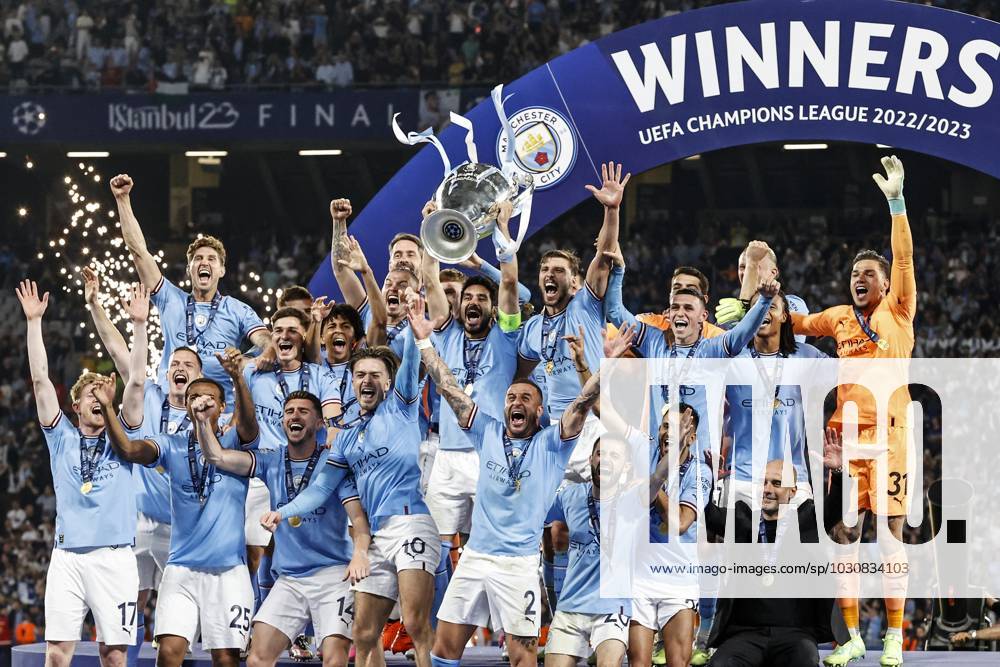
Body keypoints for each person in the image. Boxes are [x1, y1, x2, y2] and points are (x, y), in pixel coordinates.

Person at [408, 291, 602, 667]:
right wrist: (422, 340)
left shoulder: (553, 443)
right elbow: (448, 386)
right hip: (476, 556)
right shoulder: (487, 431)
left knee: (522, 657)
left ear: (540, 409)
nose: (516, 402)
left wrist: (588, 363)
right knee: (443, 651)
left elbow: (582, 404)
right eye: (512, 396)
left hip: (519, 565)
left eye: (526, 398)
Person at [791, 157, 915, 667]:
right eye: (854, 274)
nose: (859, 278)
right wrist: (753, 302)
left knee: (889, 537)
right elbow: (791, 324)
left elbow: (903, 260)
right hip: (845, 446)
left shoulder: (898, 311)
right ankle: (851, 636)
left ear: (885, 285)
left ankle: (891, 633)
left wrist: (896, 204)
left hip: (890, 441)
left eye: (869, 273)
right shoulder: (840, 318)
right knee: (844, 537)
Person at [263, 325, 438, 667]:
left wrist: (419, 337)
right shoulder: (344, 437)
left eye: (375, 375)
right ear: (353, 382)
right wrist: (282, 512)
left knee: (416, 623)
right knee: (363, 632)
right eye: (360, 375)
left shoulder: (400, 408)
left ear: (388, 383)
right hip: (376, 537)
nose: (366, 381)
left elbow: (410, 367)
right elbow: (320, 488)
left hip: (411, 525)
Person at [98, 363, 261, 667]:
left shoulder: (234, 441)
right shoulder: (171, 445)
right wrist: (108, 408)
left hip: (228, 570)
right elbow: (130, 451)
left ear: (222, 405)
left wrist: (239, 378)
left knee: (225, 659)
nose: (200, 401)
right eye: (193, 396)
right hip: (181, 568)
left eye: (209, 397)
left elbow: (250, 427)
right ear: (186, 406)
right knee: (169, 653)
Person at [196, 390, 373, 667]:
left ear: (318, 423)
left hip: (333, 576)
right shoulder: (271, 460)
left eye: (303, 411)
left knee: (334, 660)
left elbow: (360, 522)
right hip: (290, 579)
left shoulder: (335, 462)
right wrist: (203, 423)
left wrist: (360, 553)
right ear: (282, 421)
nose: (295, 415)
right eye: (289, 411)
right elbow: (216, 457)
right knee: (257, 659)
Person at [18, 279, 138, 667]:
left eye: (104, 394)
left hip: (115, 557)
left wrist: (137, 326)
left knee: (115, 655)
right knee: (56, 654)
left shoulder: (125, 434)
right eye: (91, 394)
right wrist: (34, 322)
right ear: (75, 405)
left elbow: (135, 381)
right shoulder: (61, 437)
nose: (98, 399)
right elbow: (39, 380)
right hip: (67, 557)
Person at [85, 275, 191, 667]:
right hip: (138, 521)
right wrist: (96, 306)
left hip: (182, 527)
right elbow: (117, 350)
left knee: (173, 610)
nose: (178, 369)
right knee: (131, 599)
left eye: (187, 365)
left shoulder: (207, 414)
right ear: (166, 374)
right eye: (173, 364)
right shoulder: (148, 396)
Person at [109, 174, 273, 405]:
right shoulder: (169, 298)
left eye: (211, 259)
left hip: (218, 409)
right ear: (189, 269)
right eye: (198, 259)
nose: (204, 263)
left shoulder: (237, 309)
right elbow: (139, 253)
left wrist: (257, 357)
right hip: (170, 405)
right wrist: (123, 200)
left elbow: (265, 338)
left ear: (222, 270)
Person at [420, 201, 520, 562]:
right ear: (459, 306)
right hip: (446, 455)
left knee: (488, 546)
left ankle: (487, 620)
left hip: (489, 455)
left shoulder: (507, 336)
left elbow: (509, 281)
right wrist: (430, 225)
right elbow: (429, 279)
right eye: (468, 298)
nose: (473, 302)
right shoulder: (446, 334)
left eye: (482, 298)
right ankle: (443, 615)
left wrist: (502, 228)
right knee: (438, 548)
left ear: (492, 308)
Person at [543, 419, 687, 667]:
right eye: (600, 453)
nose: (605, 459)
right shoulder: (570, 495)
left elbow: (658, 476)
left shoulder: (634, 498)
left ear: (626, 465)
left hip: (612, 608)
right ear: (591, 459)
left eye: (614, 455)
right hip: (570, 607)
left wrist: (677, 448)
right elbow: (534, 514)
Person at [705, 452, 844, 667]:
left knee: (805, 661)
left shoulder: (806, 521)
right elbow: (708, 514)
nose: (767, 490)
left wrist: (838, 472)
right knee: (720, 664)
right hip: (745, 636)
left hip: (795, 636)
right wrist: (708, 479)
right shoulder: (742, 521)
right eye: (764, 482)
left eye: (776, 483)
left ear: (792, 491)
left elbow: (836, 507)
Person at [625, 403, 713, 667]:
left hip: (678, 581)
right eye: (665, 426)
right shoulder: (642, 457)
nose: (669, 433)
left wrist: (652, 482)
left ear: (692, 436)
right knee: (637, 663)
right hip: (640, 579)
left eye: (679, 428)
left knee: (678, 663)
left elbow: (681, 523)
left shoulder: (700, 472)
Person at [328, 198, 411, 358]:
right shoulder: (367, 312)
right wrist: (339, 223)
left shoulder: (428, 319)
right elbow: (341, 270)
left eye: (410, 254)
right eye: (398, 255)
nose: (403, 259)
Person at [715, 244, 809, 343]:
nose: (747, 273)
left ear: (773, 272)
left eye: (755, 266)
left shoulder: (793, 303)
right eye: (743, 267)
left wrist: (744, 305)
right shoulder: (731, 307)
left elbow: (778, 344)